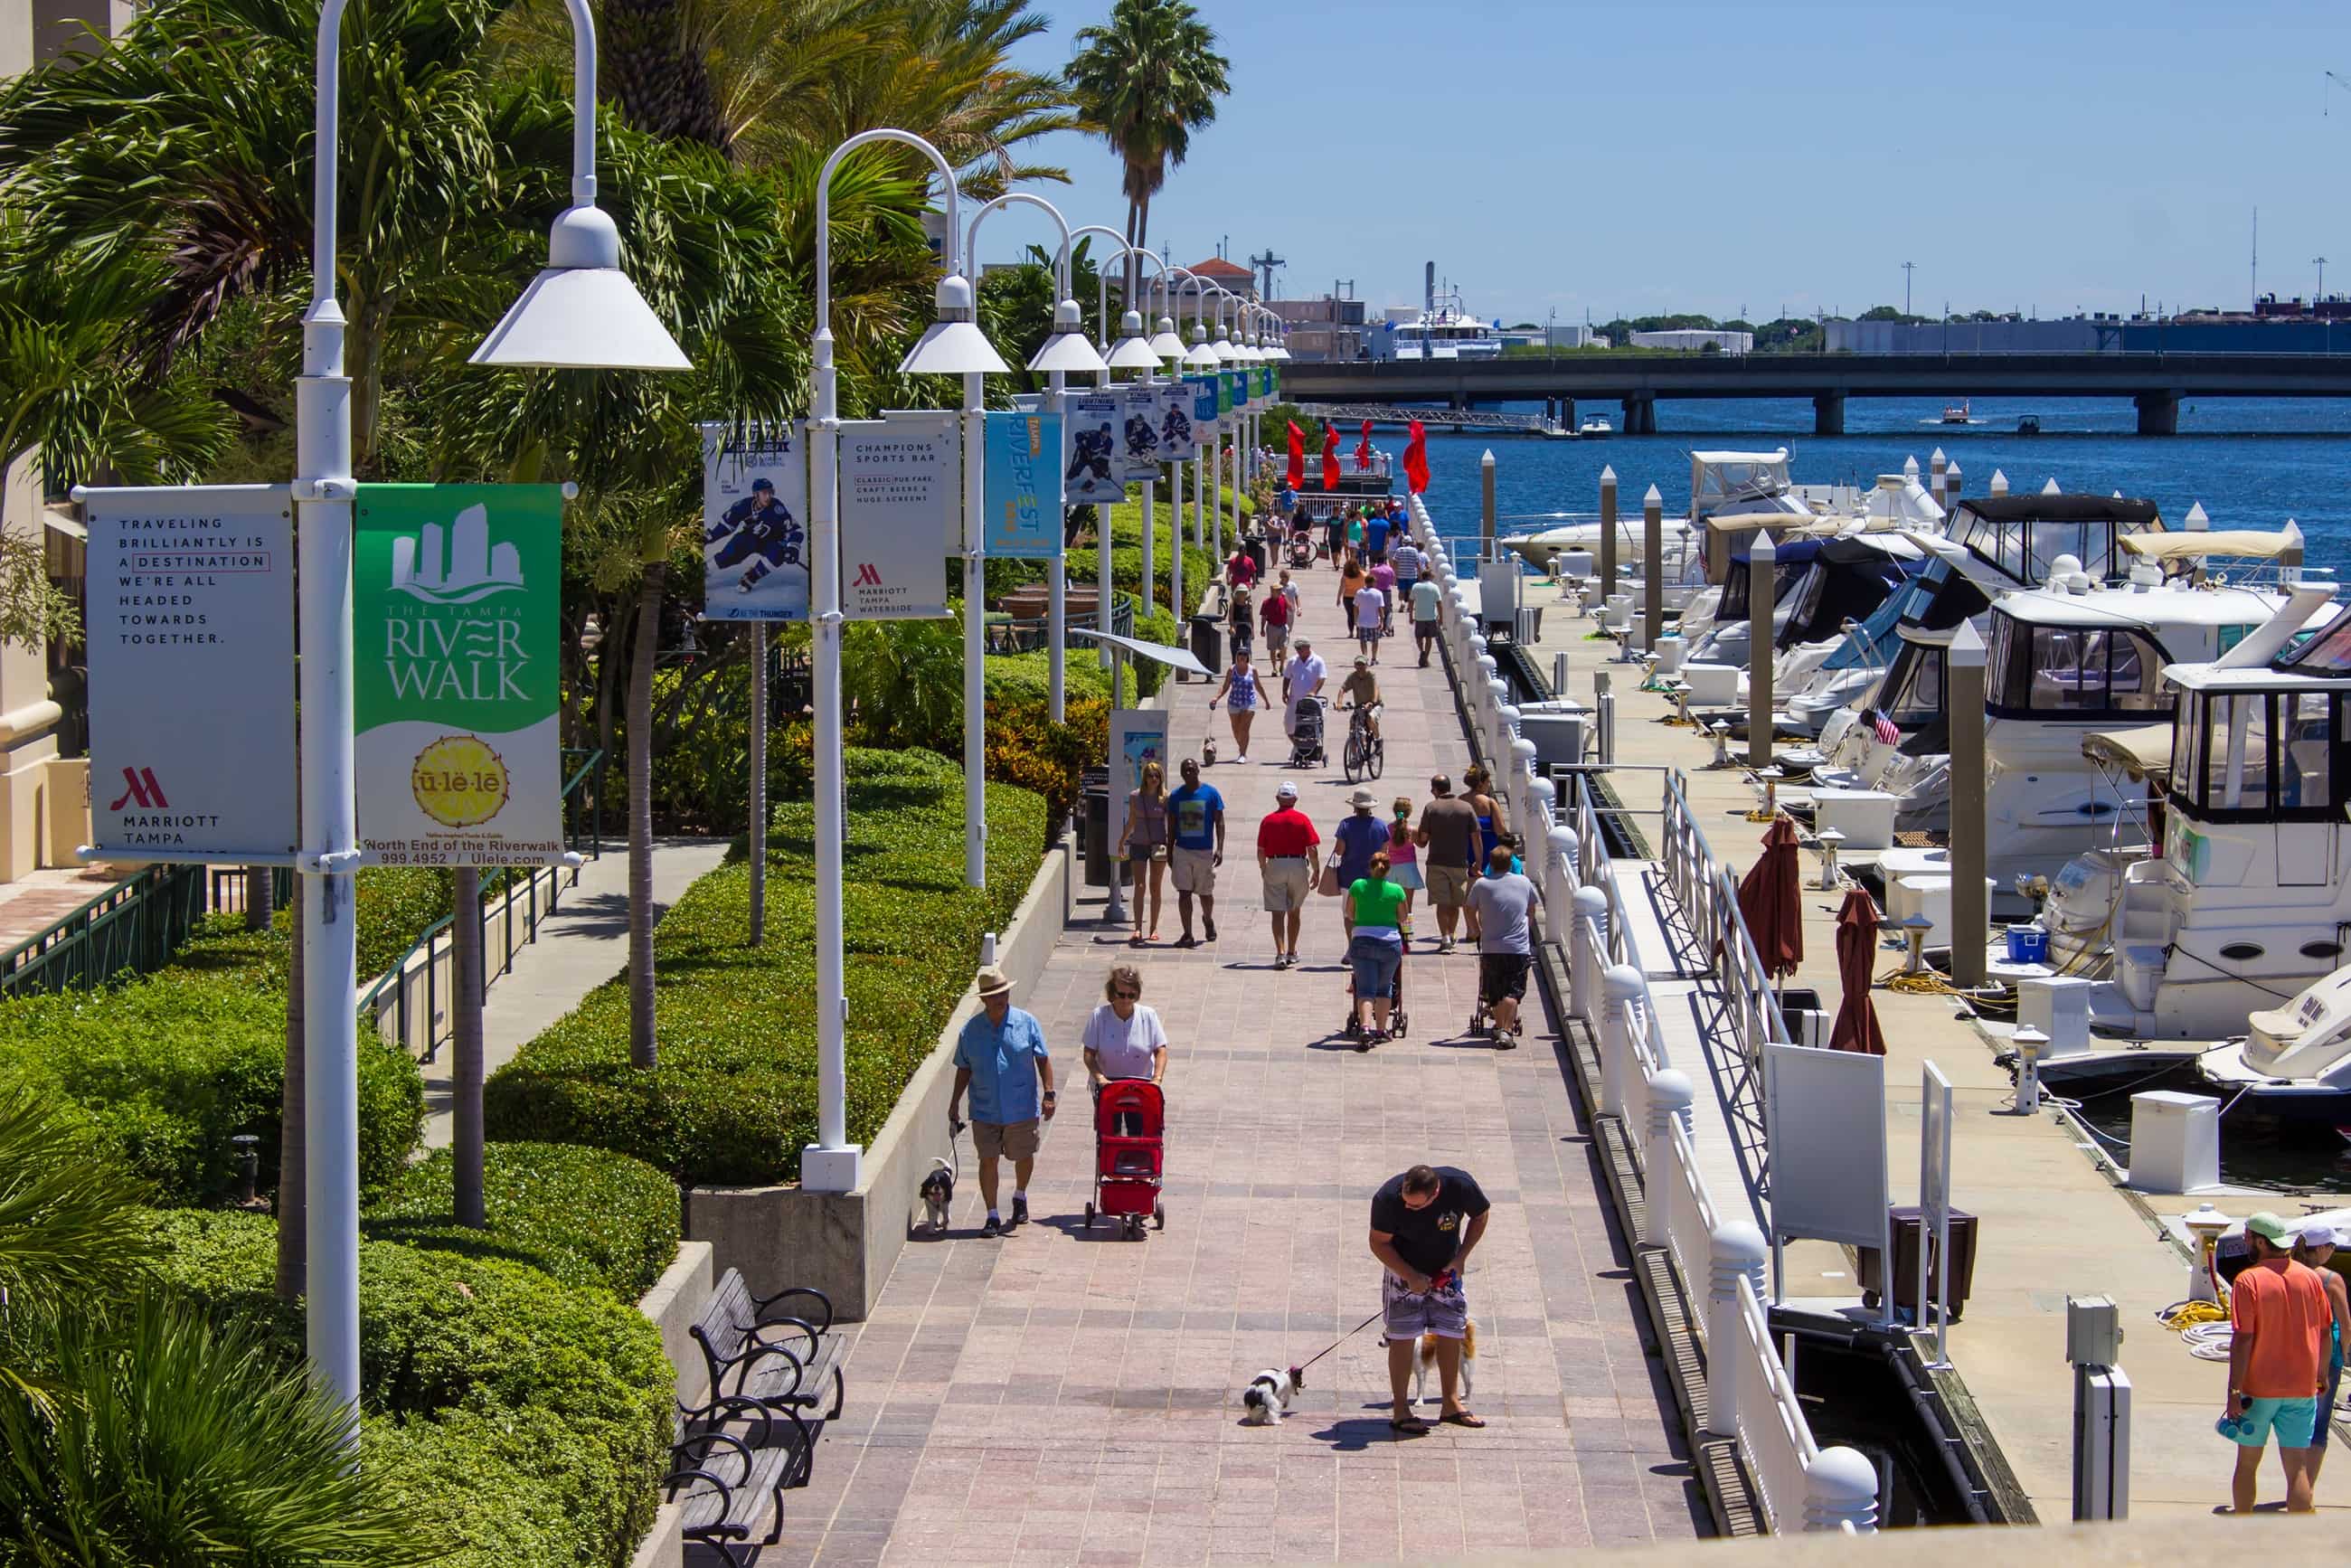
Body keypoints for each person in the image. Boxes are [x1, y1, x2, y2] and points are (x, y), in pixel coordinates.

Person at [2224, 1210, 2335, 1514]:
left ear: (2261, 1242)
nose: (2245, 1240)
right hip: (2301, 1388)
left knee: (2247, 1464)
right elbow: (2326, 1332)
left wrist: (2234, 1390)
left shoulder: (2248, 1280)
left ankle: (2242, 1529)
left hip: (2257, 1390)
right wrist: (2322, 1374)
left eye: (2248, 1236)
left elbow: (2243, 1339)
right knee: (2297, 1468)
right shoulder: (2310, 1278)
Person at [1370, 1163, 1490, 1432]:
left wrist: (1461, 1258)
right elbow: (1378, 1242)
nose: (1408, 1207)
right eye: (1406, 1201)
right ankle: (1401, 1409)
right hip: (1403, 1271)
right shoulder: (1387, 1198)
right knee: (1402, 1335)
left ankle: (1451, 1403)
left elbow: (1481, 1215)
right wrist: (1409, 1275)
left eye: (1415, 1205)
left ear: (1435, 1193)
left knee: (1451, 1330)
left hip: (1446, 1270)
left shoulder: (1460, 1184)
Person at [949, 965, 1057, 1237]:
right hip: (984, 1108)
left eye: (1004, 993)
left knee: (1023, 1155)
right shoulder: (970, 1031)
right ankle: (992, 1215)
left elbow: (1043, 1058)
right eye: (994, 995)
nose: (1001, 998)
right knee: (988, 1160)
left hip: (1021, 1107)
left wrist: (1049, 1093)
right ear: (984, 999)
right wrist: (954, 1104)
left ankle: (1020, 1195)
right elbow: (964, 1069)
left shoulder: (1027, 1022)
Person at [2292, 1218, 2351, 1483]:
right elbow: (2346, 1325)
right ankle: (2305, 1489)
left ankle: (2293, 1482)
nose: (2333, 1251)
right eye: (2332, 1246)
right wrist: (2345, 1353)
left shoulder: (2290, 1273)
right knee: (2319, 1425)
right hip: (2326, 1359)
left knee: (2294, 1422)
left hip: (2293, 1354)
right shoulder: (2331, 1279)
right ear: (2321, 1248)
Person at [1469, 845, 1540, 1048]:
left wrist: (1476, 930)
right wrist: (1526, 928)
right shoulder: (1523, 882)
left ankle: (1501, 1028)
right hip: (1517, 947)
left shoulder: (1482, 884)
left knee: (1496, 991)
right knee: (1513, 991)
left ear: (1491, 864)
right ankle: (1506, 1032)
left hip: (1491, 946)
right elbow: (1531, 909)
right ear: (1511, 864)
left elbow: (1469, 909)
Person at [1083, 965, 1166, 1134]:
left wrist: (1157, 1079)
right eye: (1121, 995)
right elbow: (1089, 1054)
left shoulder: (1148, 1015)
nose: (1126, 1000)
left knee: (1138, 1133)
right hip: (1108, 1087)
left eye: (1131, 995)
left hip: (1140, 1087)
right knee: (1109, 1135)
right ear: (1112, 993)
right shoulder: (1099, 1016)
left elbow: (1161, 1051)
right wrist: (1100, 1078)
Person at [1343, 850, 1408, 1046]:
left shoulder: (1358, 885)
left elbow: (1349, 913)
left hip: (1362, 940)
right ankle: (1380, 1030)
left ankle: (1365, 1028)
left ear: (1370, 867)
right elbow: (1403, 917)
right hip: (1389, 943)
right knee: (1384, 987)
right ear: (1388, 870)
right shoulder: (1397, 890)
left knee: (1365, 988)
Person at [1416, 773, 1482, 954]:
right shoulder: (1466, 808)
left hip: (1436, 862)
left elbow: (1423, 839)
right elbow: (1476, 838)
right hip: (1459, 863)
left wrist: (1416, 838)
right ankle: (1451, 935)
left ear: (1435, 790)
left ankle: (1445, 937)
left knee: (1442, 902)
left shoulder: (1431, 808)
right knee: (1455, 903)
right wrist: (1478, 863)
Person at [1258, 779, 1320, 968]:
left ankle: (1280, 953)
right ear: (1295, 799)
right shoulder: (1303, 819)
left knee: (1277, 913)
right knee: (1294, 911)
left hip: (1275, 864)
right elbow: (1312, 849)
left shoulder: (1268, 820)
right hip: (1298, 865)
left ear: (1277, 798)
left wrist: (1263, 868)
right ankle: (1292, 951)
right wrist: (1316, 870)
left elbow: (1261, 850)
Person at [1165, 758, 1225, 948]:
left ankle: (1208, 919)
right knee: (1184, 893)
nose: (1189, 773)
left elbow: (1220, 822)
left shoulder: (1211, 793)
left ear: (1198, 770)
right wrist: (1169, 850)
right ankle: (1188, 934)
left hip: (1204, 852)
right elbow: (1171, 825)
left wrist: (1220, 848)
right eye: (1185, 770)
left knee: (1205, 894)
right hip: (1182, 850)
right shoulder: (1176, 796)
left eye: (1191, 769)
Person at [1119, 760, 1168, 946]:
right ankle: (1138, 928)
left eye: (1157, 776)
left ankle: (1153, 928)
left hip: (1158, 846)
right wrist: (1122, 840)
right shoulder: (1135, 796)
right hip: (1138, 844)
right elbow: (1132, 820)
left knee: (1155, 887)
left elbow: (1170, 822)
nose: (1154, 779)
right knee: (1139, 886)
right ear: (1144, 778)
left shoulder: (1165, 797)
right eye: (1150, 776)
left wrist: (1172, 844)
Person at [1332, 785, 1390, 891]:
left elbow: (1339, 851)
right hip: (1374, 878)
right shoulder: (1381, 826)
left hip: (1349, 878)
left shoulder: (1345, 824)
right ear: (1370, 807)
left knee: (1348, 902)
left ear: (1355, 807)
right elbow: (1383, 853)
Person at [1210, 650, 1260, 764]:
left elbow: (1258, 685)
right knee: (1236, 730)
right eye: (1240, 654)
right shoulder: (1231, 670)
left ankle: (1242, 754)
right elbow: (1225, 686)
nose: (1242, 657)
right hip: (1234, 702)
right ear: (1236, 656)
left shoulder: (1253, 670)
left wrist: (1266, 701)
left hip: (1249, 702)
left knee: (1244, 728)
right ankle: (1242, 747)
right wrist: (1216, 698)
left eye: (1244, 655)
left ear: (1248, 657)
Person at [1386, 798, 1422, 948]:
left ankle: (1393, 930)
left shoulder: (1388, 828)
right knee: (1408, 905)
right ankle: (1407, 934)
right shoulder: (1412, 830)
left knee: (1392, 903)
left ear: (1394, 811)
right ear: (1409, 812)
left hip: (1392, 868)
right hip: (1408, 869)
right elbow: (1422, 844)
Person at [1282, 637, 1328, 748]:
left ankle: (1309, 750)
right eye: (1297, 648)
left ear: (1308, 647)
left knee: (1309, 728)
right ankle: (1299, 747)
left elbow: (1322, 678)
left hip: (1310, 702)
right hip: (1294, 700)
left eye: (1300, 648)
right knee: (1289, 727)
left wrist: (1313, 692)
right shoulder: (1293, 661)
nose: (1298, 650)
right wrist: (1284, 691)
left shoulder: (1318, 661)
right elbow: (1287, 677)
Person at [1339, 655, 1383, 743]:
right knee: (1353, 723)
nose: (1360, 667)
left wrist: (1372, 702)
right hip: (1360, 706)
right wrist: (1339, 703)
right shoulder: (1352, 677)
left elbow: (1376, 689)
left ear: (1367, 666)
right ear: (1354, 666)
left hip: (1375, 705)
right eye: (1358, 664)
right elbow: (1342, 689)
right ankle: (1353, 750)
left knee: (1370, 718)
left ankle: (1378, 739)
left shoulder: (1371, 675)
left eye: (1362, 664)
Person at [1411, 573, 1444, 668]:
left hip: (1419, 617)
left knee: (1419, 638)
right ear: (1429, 577)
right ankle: (1425, 657)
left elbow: (1411, 602)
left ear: (1422, 577)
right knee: (1429, 638)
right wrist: (1441, 618)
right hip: (1431, 617)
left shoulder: (1416, 586)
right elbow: (1439, 604)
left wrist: (1410, 616)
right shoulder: (1435, 587)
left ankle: (1422, 652)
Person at [1353, 576, 1388, 663]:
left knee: (1363, 641)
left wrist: (1356, 619)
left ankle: (1365, 657)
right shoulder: (1378, 593)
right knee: (1375, 641)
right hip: (1374, 622)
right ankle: (1374, 658)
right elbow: (1380, 609)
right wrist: (1382, 621)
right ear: (1373, 582)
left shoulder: (1359, 592)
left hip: (1362, 621)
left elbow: (1355, 607)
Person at [1260, 577, 1293, 663]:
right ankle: (1274, 667)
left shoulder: (1283, 600)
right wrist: (1262, 629)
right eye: (1277, 590)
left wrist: (1285, 597)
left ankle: (1282, 665)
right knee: (1273, 649)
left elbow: (1291, 609)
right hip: (1272, 627)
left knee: (1283, 647)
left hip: (1283, 627)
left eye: (1280, 590)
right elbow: (1264, 616)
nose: (1279, 591)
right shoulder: (1266, 602)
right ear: (1272, 591)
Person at [1337, 553, 1367, 637]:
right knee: (1359, 615)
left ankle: (1351, 633)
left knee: (1350, 615)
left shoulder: (1345, 576)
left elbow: (1341, 587)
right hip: (1360, 598)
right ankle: (1358, 632)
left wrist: (1338, 598)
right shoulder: (1363, 574)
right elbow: (1367, 586)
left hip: (1347, 598)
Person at [1368, 553, 1397, 635]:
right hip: (1386, 591)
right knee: (1388, 610)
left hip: (1376, 592)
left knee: (1377, 609)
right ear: (1385, 561)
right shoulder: (1390, 570)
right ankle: (1387, 627)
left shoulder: (1373, 570)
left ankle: (1378, 626)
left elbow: (1369, 581)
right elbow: (1393, 582)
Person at [1227, 583, 1254, 662]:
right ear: (1237, 593)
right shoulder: (1233, 604)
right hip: (1236, 628)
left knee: (1247, 648)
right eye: (1240, 592)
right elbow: (1231, 617)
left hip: (1246, 628)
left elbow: (1251, 618)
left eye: (1244, 593)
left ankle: (1248, 664)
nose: (1242, 594)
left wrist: (1252, 631)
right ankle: (1235, 664)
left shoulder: (1249, 604)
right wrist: (1232, 627)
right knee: (1234, 649)